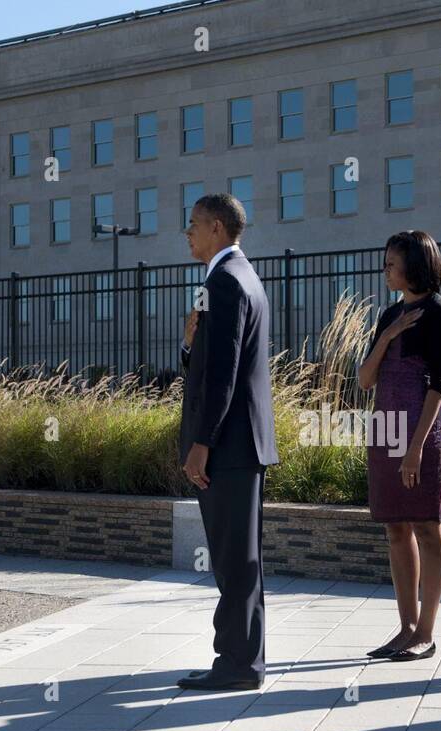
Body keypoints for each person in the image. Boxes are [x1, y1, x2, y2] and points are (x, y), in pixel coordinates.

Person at [175, 194, 279, 692]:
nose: (188, 233)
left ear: (217, 227)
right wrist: (187, 343)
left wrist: (202, 443)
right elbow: (207, 360)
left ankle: (238, 664)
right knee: (239, 558)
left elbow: (224, 375)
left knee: (234, 561)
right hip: (241, 445)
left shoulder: (225, 282)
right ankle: (241, 659)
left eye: (193, 224)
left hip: (230, 447)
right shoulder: (240, 278)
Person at [358, 231, 441, 662]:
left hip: (422, 431)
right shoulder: (389, 314)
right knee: (395, 527)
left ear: (413, 266)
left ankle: (426, 633)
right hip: (385, 427)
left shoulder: (437, 313)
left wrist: (416, 448)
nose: (385, 270)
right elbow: (365, 379)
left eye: (391, 263)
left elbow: (439, 386)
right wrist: (387, 335)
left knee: (427, 526)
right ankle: (405, 629)